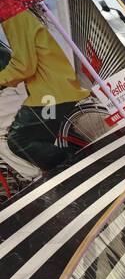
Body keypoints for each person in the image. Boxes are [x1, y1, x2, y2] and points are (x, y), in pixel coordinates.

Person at [0, 9, 93, 172]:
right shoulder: (19, 15)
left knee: (19, 141)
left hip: (50, 95)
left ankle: (77, 168)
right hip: (51, 89)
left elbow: (23, 66)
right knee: (38, 139)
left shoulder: (12, 16)